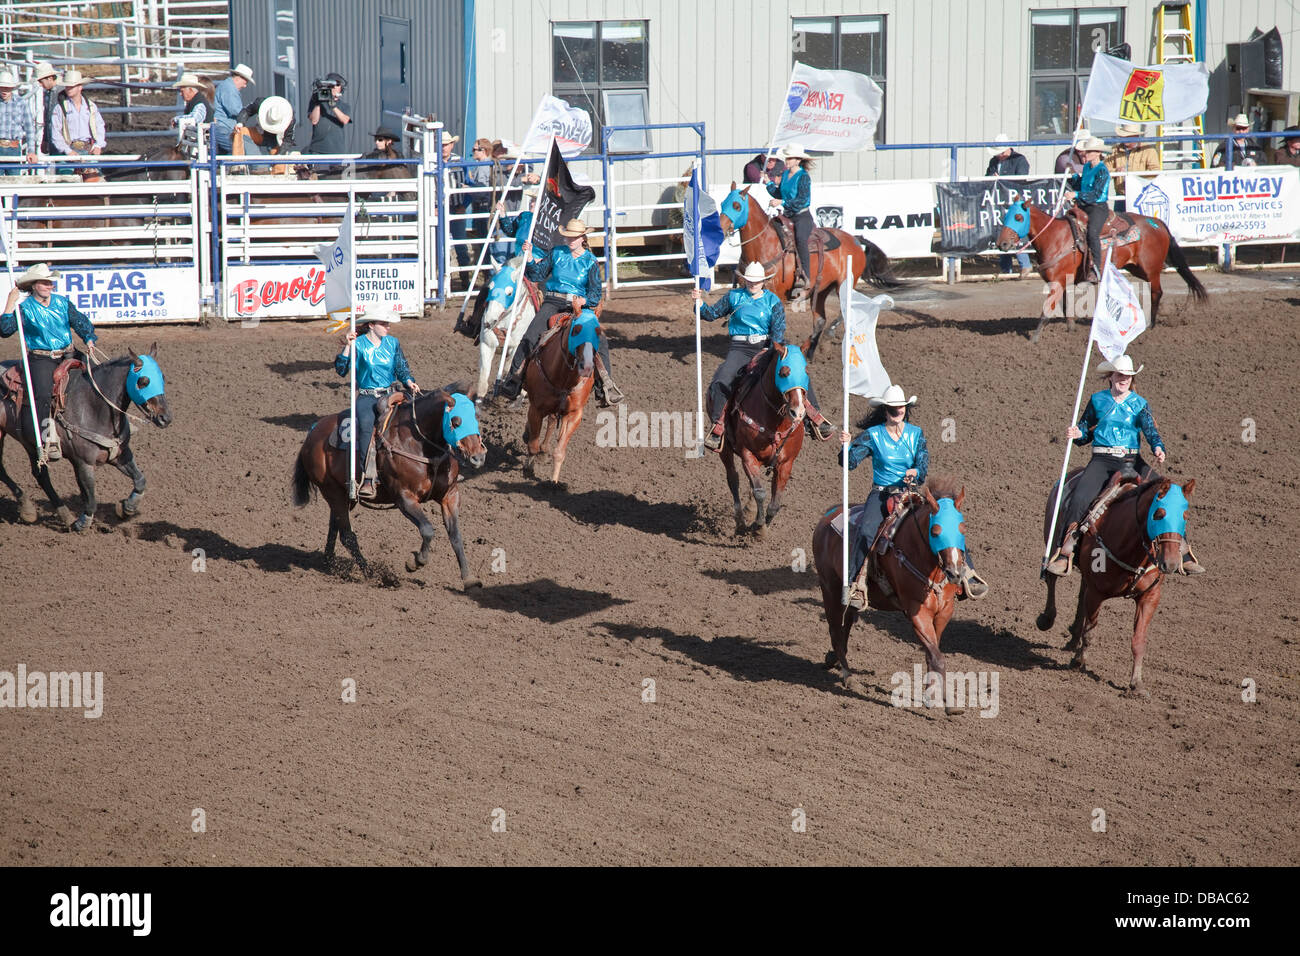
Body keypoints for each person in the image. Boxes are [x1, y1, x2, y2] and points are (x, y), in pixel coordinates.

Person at [1046, 353, 1201, 575]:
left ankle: (1184, 550)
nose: (1123, 378)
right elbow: (1084, 431)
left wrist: (1158, 447)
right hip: (1102, 459)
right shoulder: (1097, 400)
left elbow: (1150, 431)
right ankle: (1065, 552)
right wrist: (1077, 432)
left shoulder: (1140, 404)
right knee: (1080, 496)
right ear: (1111, 376)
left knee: (1171, 495)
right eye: (1120, 374)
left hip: (1132, 460)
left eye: (1127, 375)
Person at [690, 261, 834, 451]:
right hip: (739, 348)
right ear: (745, 279)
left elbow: (779, 330)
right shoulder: (733, 297)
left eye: (757, 281)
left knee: (796, 373)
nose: (753, 283)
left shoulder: (773, 301)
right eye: (750, 280)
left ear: (763, 282)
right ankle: (718, 427)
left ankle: (815, 419)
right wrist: (699, 304)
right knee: (721, 379)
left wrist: (770, 349)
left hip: (766, 347)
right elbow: (711, 314)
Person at [498, 219, 624, 407]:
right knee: (530, 336)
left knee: (600, 340)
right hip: (553, 302)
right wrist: (531, 257)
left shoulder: (590, 261)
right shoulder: (556, 253)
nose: (571, 240)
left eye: (574, 237)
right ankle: (513, 380)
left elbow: (595, 292)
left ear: (583, 237)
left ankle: (605, 386)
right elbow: (538, 274)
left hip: (579, 306)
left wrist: (585, 301)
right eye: (568, 236)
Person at [837, 385, 929, 611]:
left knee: (941, 524)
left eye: (900, 408)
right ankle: (853, 584)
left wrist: (916, 472)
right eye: (893, 409)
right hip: (882, 493)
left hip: (909, 492)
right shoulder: (873, 434)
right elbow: (848, 464)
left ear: (905, 409)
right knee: (866, 532)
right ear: (885, 410)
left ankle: (966, 576)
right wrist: (846, 447)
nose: (897, 412)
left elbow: (923, 465)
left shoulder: (916, 434)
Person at [0, 263, 99, 463]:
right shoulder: (24, 309)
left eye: (50, 282)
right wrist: (10, 305)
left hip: (68, 352)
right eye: (45, 282)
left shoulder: (62, 303)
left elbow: (80, 321)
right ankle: (47, 438)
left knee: (97, 375)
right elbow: (5, 330)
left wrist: (88, 338)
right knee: (43, 394)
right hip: (41, 357)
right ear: (34, 285)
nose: (49, 286)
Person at [333, 306, 418, 499]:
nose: (388, 327)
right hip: (367, 396)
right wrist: (347, 346)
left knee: (413, 419)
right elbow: (341, 370)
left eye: (388, 323)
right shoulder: (358, 344)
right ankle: (367, 476)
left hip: (391, 394)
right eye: (383, 323)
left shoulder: (393, 343)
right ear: (371, 325)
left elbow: (401, 367)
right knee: (365, 429)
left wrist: (409, 381)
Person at [766, 144, 814, 300]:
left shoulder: (804, 176)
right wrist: (769, 184)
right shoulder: (785, 174)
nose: (787, 160)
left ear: (798, 160)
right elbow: (779, 193)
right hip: (787, 215)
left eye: (790, 158)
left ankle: (805, 276)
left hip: (802, 216)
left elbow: (803, 200)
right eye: (787, 158)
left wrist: (782, 202)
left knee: (800, 240)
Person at [985, 133, 1033, 278]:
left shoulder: (1019, 160)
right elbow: (987, 177)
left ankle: (1024, 264)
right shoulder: (994, 161)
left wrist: (1001, 180)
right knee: (1003, 233)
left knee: (1015, 232)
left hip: (1014, 203)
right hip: (999, 201)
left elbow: (1021, 179)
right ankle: (1006, 268)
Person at [1065, 136, 1110, 282]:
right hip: (1084, 205)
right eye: (1085, 151)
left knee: (1092, 232)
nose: (1085, 154)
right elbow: (1082, 186)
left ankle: (1096, 268)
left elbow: (1096, 194)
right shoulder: (1086, 167)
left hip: (1097, 207)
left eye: (1089, 151)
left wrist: (1076, 194)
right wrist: (1073, 175)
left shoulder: (1103, 171)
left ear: (1098, 152)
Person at [50, 70, 105, 167]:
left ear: (80, 87)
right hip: (68, 150)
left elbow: (100, 127)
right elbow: (56, 134)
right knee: (66, 180)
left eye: (72, 86)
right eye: (67, 86)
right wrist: (68, 151)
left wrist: (98, 145)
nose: (68, 89)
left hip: (89, 149)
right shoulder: (59, 108)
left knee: (92, 180)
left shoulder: (91, 107)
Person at [1106, 123, 1160, 211]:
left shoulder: (1148, 150)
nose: (1125, 139)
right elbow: (1104, 170)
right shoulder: (1114, 150)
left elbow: (1155, 171)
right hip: (1122, 195)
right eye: (1124, 136)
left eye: (1128, 136)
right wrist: (1116, 171)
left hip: (1140, 194)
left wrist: (1135, 176)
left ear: (1137, 136)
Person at [441, 131, 473, 279]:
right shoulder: (431, 161)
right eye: (441, 145)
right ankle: (442, 278)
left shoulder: (460, 161)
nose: (443, 148)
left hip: (457, 208)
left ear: (452, 145)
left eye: (446, 145)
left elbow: (470, 185)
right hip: (439, 209)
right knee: (440, 246)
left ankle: (464, 279)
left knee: (460, 245)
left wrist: (464, 204)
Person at [303, 72, 351, 161]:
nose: (334, 87)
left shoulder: (344, 106)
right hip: (317, 150)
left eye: (337, 84)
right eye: (331, 85)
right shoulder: (316, 101)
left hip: (337, 151)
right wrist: (318, 103)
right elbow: (314, 121)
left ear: (341, 88)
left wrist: (333, 106)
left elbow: (345, 120)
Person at [0, 70, 37, 175]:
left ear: (12, 88)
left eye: (7, 88)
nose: (4, 90)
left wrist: (31, 151)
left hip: (14, 147)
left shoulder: (21, 103)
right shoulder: (21, 103)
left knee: (14, 181)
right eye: (2, 87)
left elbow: (29, 128)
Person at [213, 63, 254, 154]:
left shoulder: (226, 86)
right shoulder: (229, 89)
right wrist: (248, 112)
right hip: (224, 128)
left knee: (225, 157)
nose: (245, 86)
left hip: (223, 127)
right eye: (245, 82)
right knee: (242, 149)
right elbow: (236, 110)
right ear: (238, 78)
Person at [31, 61, 60, 157]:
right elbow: (48, 119)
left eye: (41, 81)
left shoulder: (62, 93)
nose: (40, 84)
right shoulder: (50, 93)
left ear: (50, 78)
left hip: (63, 140)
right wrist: (46, 139)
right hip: (55, 139)